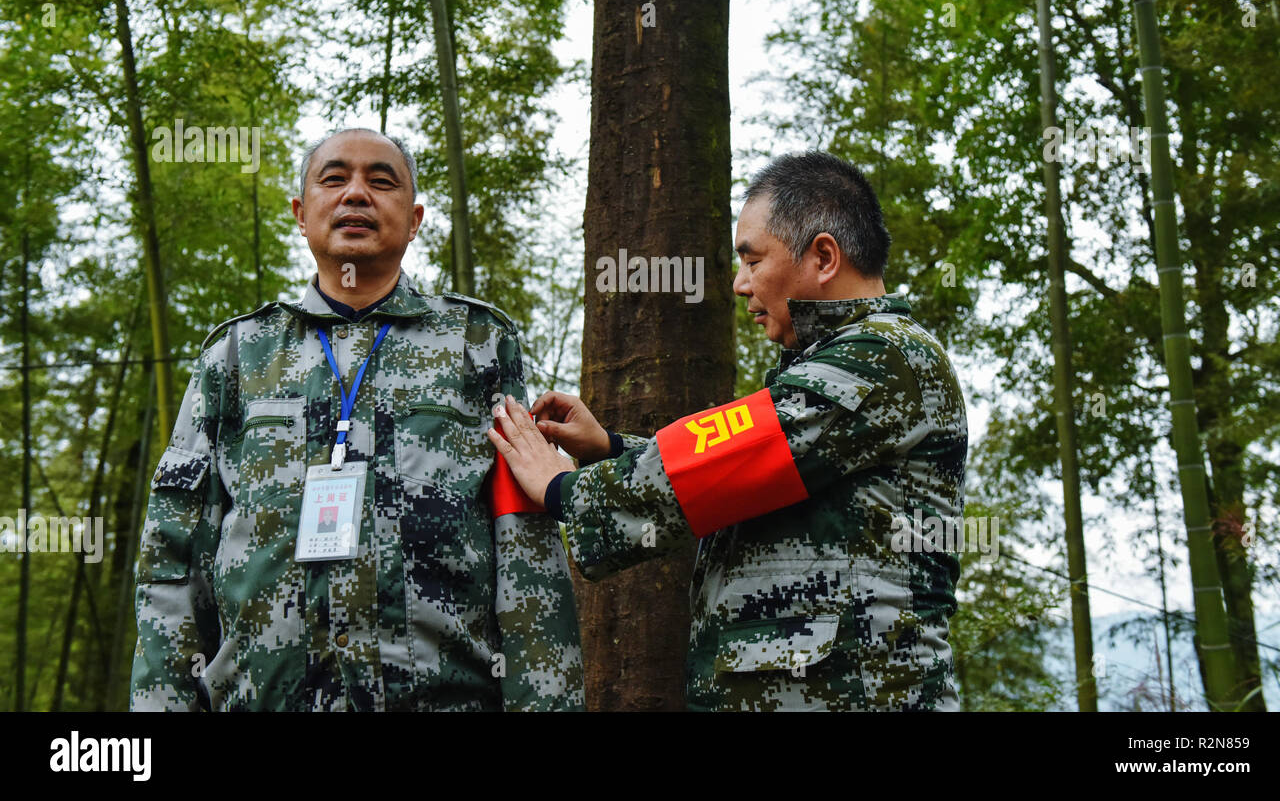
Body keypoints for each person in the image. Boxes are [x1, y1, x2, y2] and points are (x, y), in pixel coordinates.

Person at [489, 150, 967, 711]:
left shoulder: (882, 356)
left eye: (752, 261)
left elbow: (731, 455)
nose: (740, 285)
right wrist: (610, 449)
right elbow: (745, 470)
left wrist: (562, 488)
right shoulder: (845, 360)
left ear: (823, 257)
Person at [131, 127, 584, 711]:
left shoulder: (477, 342)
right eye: (335, 178)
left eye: (381, 181)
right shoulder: (236, 354)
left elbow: (525, 548)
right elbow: (173, 558)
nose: (356, 194)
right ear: (301, 214)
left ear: (414, 220)